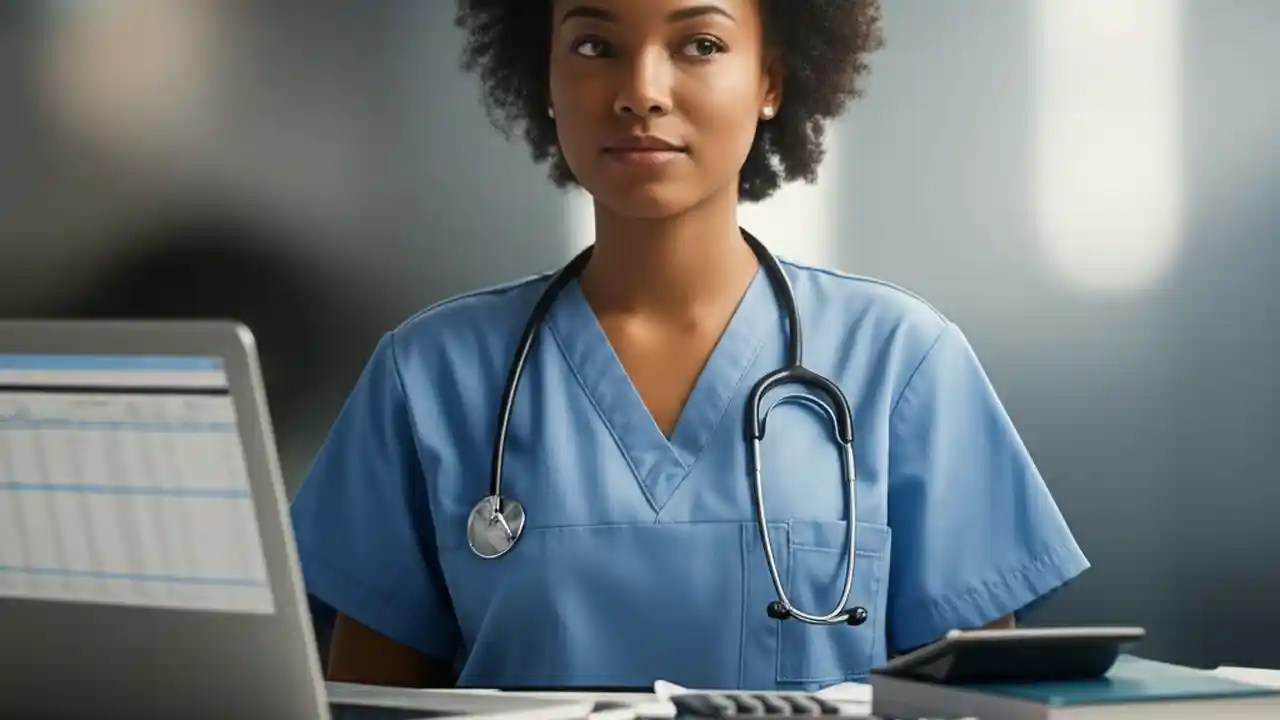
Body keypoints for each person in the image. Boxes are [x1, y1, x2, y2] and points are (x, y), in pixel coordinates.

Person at [289, 0, 1089, 691]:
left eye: (699, 44)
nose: (641, 91)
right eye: (595, 45)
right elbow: (368, 704)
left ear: (771, 79)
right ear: (547, 77)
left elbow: (987, 702)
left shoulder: (904, 365)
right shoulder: (428, 378)